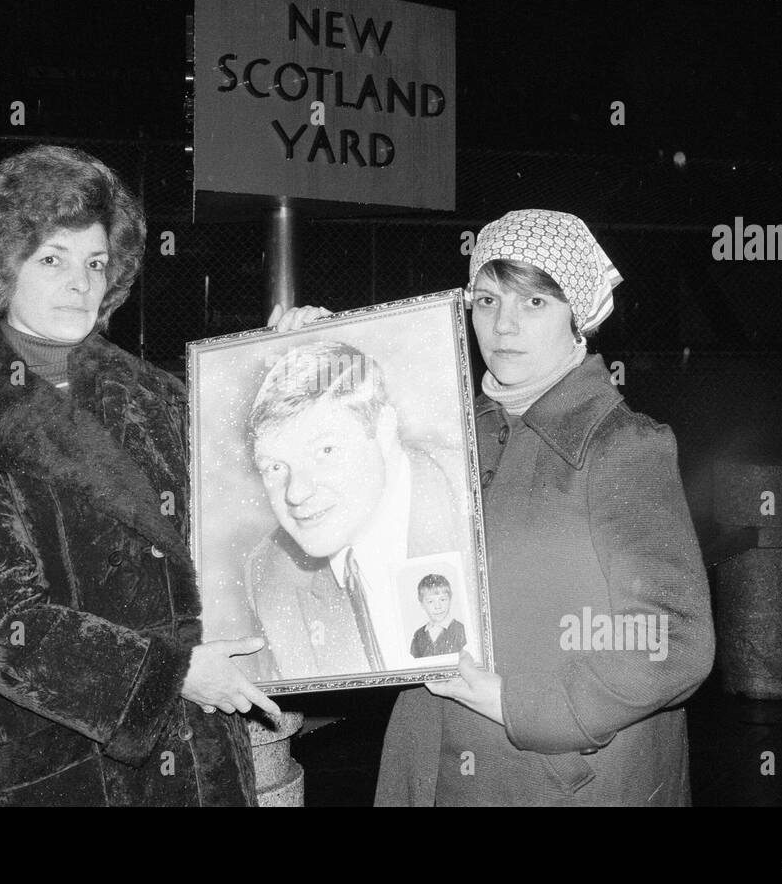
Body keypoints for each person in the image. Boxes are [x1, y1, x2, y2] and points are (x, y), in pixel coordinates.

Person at [0, 144, 278, 807]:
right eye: (52, 259)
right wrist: (171, 675)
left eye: (95, 262)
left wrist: (293, 358)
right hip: (75, 769)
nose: (80, 282)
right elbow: (4, 626)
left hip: (205, 757)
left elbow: (255, 515)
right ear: (1, 269)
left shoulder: (166, 395)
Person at [373, 208, 716, 806]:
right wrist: (312, 343)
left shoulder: (621, 446)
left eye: (534, 303)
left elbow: (674, 637)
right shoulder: (447, 431)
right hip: (434, 761)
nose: (503, 325)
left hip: (557, 777)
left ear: (578, 317)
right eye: (486, 300)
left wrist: (520, 705)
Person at [242, 338, 470, 680]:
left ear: (384, 430)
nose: (296, 493)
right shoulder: (272, 573)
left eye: (325, 451)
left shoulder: (475, 499)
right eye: (274, 467)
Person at [409, 574, 467, 659]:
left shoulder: (461, 631)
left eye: (442, 599)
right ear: (422, 604)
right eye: (430, 601)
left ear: (450, 599)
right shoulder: (418, 636)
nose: (438, 606)